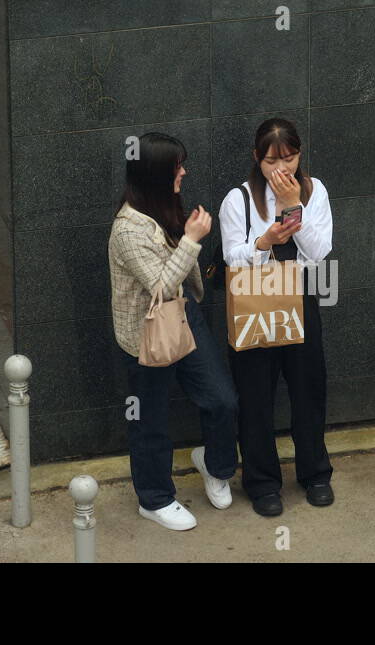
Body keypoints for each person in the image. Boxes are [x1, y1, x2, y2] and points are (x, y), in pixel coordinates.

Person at [109, 132, 239, 531]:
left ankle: (214, 464)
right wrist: (193, 240)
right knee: (150, 422)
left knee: (222, 400)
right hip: (147, 334)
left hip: (183, 316)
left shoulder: (162, 204)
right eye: (176, 166)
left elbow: (174, 289)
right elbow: (160, 286)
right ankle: (154, 499)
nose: (183, 172)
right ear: (155, 175)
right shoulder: (128, 230)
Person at [218, 117, 334, 516]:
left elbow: (319, 252)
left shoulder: (314, 190)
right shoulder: (238, 199)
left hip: (300, 296)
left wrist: (293, 210)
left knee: (309, 391)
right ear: (257, 158)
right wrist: (264, 242)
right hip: (256, 298)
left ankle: (315, 474)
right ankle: (262, 482)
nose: (282, 169)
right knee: (255, 398)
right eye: (272, 161)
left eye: (290, 158)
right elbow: (230, 257)